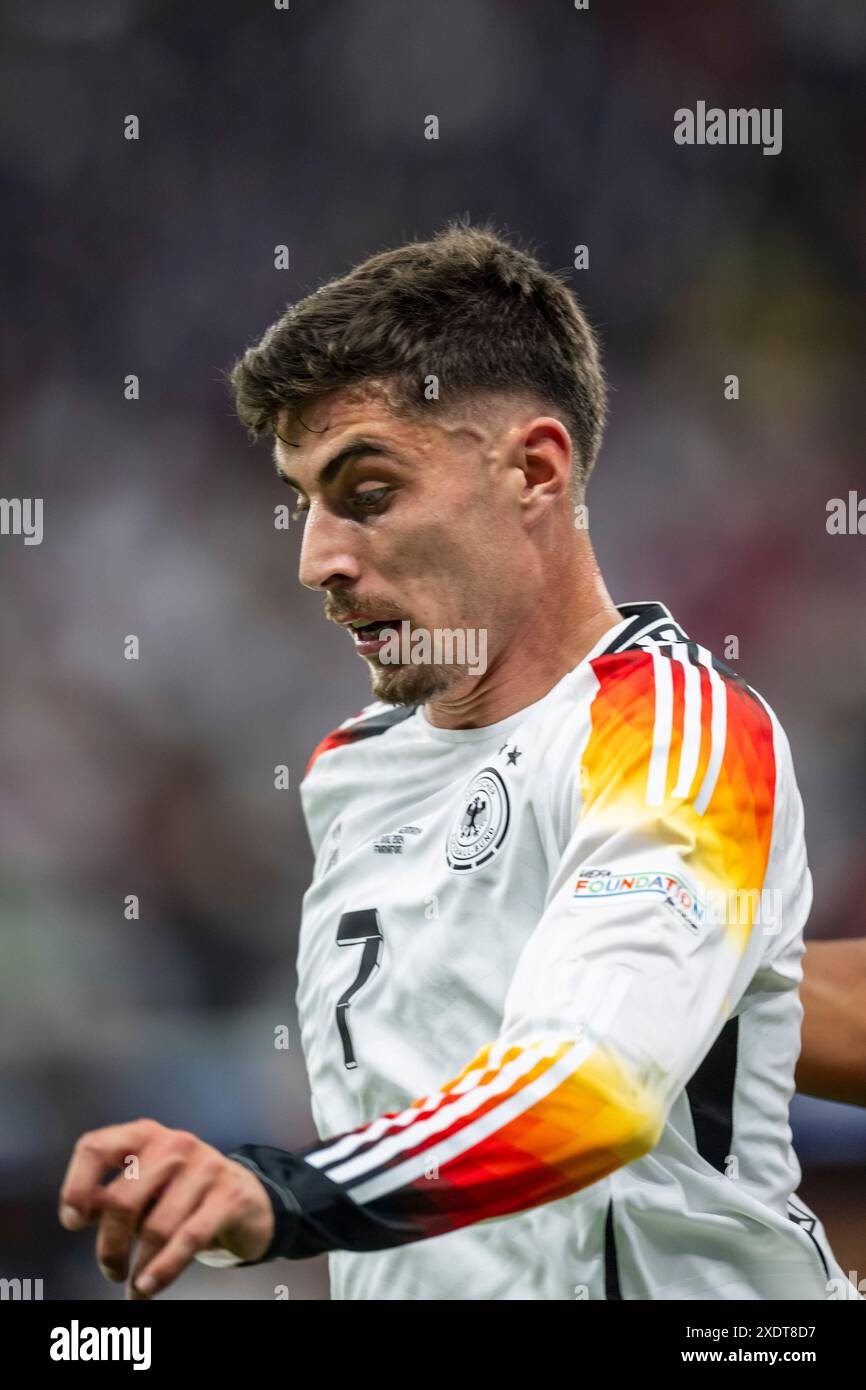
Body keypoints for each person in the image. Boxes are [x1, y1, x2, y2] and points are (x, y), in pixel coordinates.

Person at [59, 223, 863, 1300]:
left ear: (534, 470)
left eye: (368, 490)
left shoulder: (668, 725)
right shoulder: (352, 773)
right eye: (303, 499)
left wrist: (278, 1194)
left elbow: (591, 1091)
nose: (315, 560)